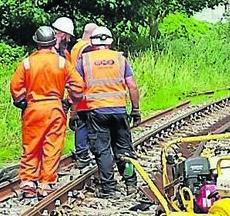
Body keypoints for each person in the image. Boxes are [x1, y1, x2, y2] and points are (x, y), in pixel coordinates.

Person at [10, 26, 83, 198]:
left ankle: (28, 183)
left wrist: (22, 102)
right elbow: (79, 88)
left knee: (31, 146)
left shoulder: (27, 62)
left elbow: (15, 88)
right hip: (55, 109)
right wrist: (70, 101)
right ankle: (45, 184)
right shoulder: (61, 62)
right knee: (52, 146)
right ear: (53, 43)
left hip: (33, 109)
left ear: (36, 43)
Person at [77, 26, 142, 198]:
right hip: (119, 110)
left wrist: (74, 113)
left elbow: (75, 89)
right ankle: (130, 184)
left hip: (96, 111)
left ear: (92, 42)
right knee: (124, 149)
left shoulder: (84, 60)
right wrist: (135, 110)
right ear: (110, 42)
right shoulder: (120, 58)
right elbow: (132, 86)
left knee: (103, 150)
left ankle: (110, 189)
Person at [69, 22, 98, 167]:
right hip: (87, 91)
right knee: (87, 124)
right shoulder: (88, 49)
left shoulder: (76, 46)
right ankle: (84, 153)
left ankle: (81, 152)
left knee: (80, 123)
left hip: (76, 90)